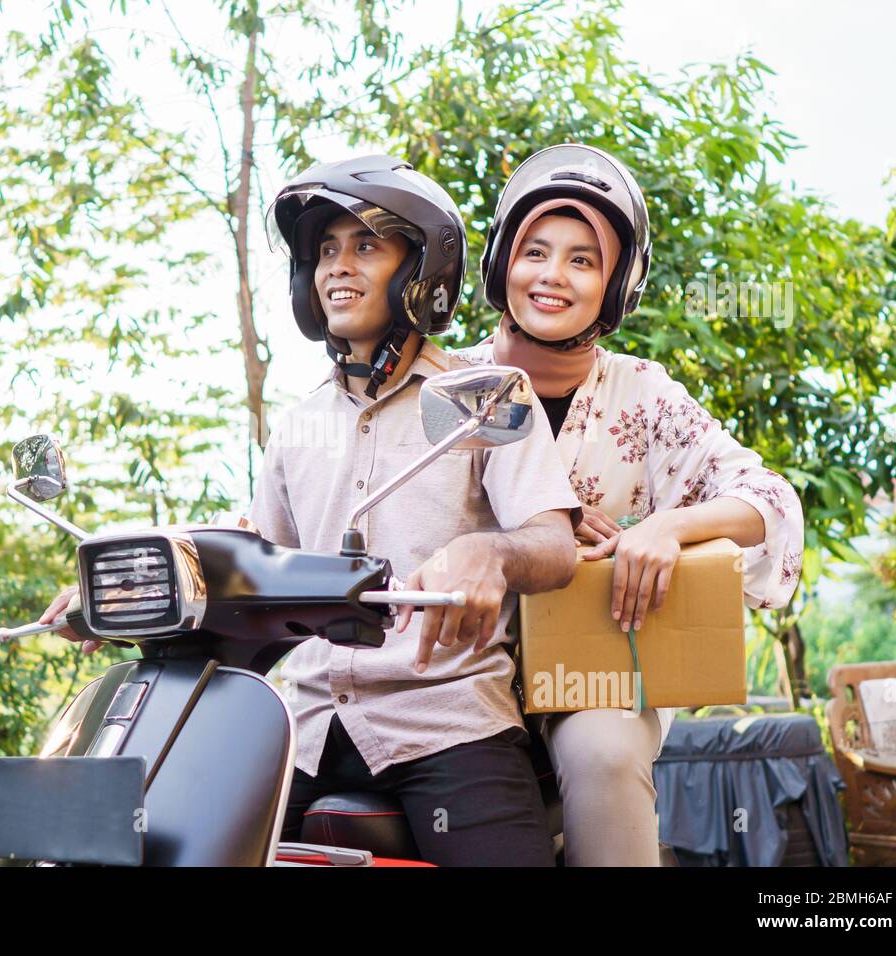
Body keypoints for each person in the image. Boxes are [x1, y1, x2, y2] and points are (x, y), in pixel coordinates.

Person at [459, 143, 805, 865]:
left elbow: (770, 500)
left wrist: (667, 527)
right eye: (536, 252)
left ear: (617, 284)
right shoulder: (447, 386)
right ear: (502, 265)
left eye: (583, 260)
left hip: (598, 667)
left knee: (605, 751)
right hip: (455, 674)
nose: (553, 276)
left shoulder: (643, 393)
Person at [241, 154, 584, 866]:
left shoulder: (488, 396)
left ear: (419, 271)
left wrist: (493, 552)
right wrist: (123, 592)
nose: (339, 266)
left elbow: (555, 546)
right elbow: (257, 571)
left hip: (444, 717)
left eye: (366, 246)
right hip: (306, 727)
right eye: (325, 250)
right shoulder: (297, 426)